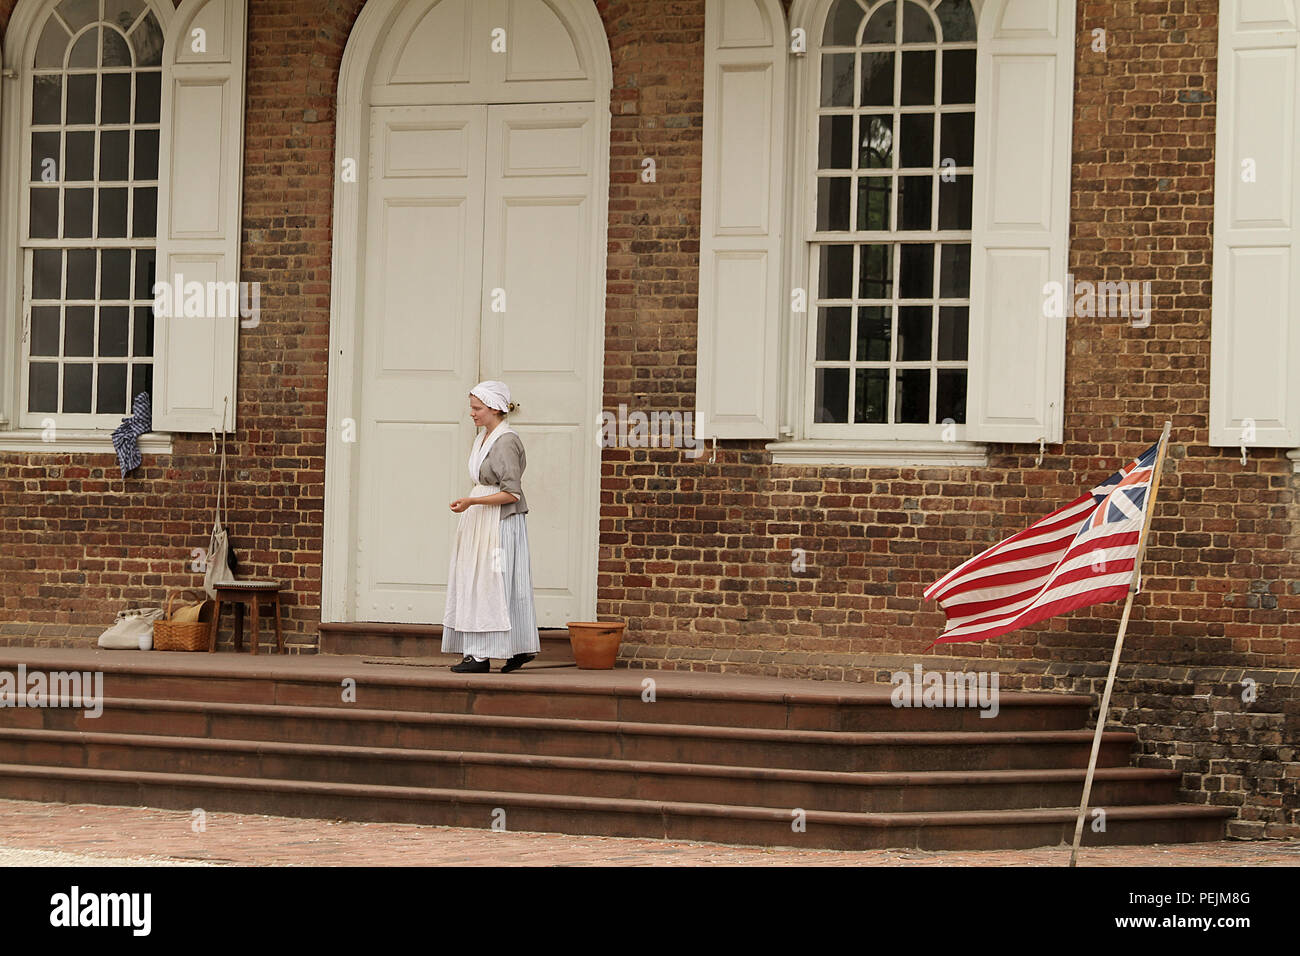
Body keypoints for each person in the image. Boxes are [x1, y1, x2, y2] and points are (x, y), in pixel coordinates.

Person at [441, 380, 541, 673]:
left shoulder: (506, 440)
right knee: (483, 580)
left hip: (499, 521)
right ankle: (513, 647)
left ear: (495, 408)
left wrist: (473, 503)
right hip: (482, 517)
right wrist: (471, 502)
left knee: (493, 582)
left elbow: (512, 492)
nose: (471, 413)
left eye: (477, 408)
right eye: (472, 407)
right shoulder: (484, 437)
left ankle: (482, 655)